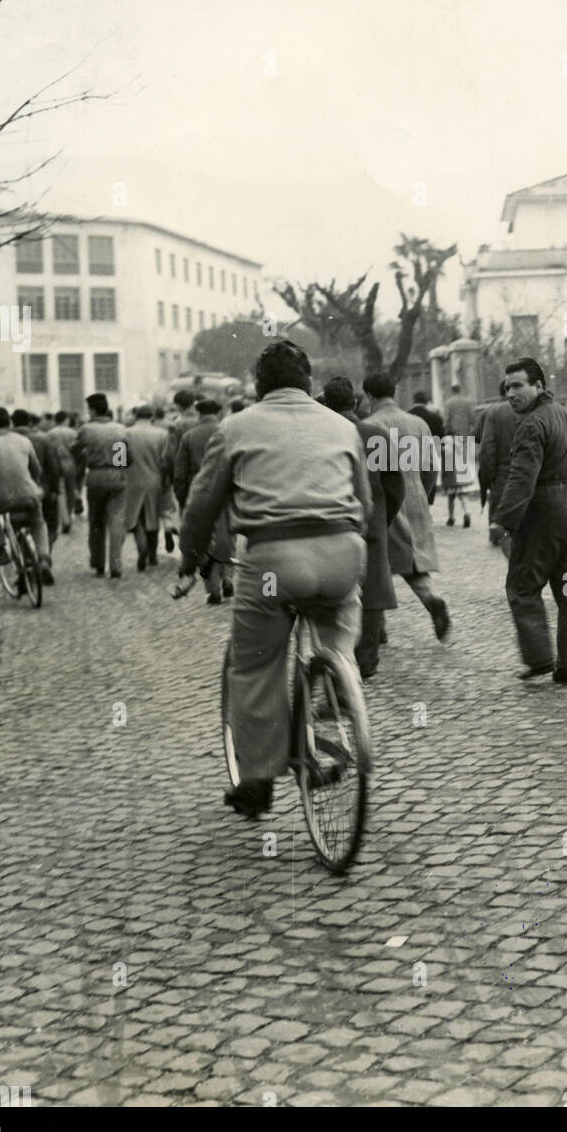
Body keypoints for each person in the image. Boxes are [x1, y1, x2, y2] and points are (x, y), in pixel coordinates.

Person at [180, 340, 372, 819]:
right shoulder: (343, 426)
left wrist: (191, 559)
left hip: (273, 564)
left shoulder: (235, 427)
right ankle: (336, 678)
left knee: (255, 666)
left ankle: (258, 779)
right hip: (342, 556)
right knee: (338, 624)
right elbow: (364, 505)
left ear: (258, 384)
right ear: (308, 382)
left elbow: (202, 506)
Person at [493, 357, 567, 684]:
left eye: (518, 385)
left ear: (539, 386)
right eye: (507, 387)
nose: (511, 393)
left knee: (522, 586)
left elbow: (522, 477)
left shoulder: (532, 424)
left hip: (548, 513)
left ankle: (538, 659)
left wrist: (503, 520)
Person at [323, 376, 405, 677]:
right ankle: (368, 658)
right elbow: (396, 484)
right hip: (373, 519)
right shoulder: (377, 434)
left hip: (334, 522)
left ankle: (339, 658)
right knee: (372, 590)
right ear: (355, 402)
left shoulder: (325, 434)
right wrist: (385, 517)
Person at [363, 371, 451, 641]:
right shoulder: (418, 423)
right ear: (395, 391)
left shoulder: (370, 426)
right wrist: (423, 494)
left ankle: (378, 627)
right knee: (414, 563)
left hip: (386, 502)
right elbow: (431, 466)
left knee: (377, 564)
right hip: (416, 496)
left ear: (368, 396)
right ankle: (432, 599)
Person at [0, 406, 52, 583]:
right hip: (27, 496)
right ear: (9, 421)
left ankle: (0, 550)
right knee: (38, 522)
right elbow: (36, 471)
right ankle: (44, 557)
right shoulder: (24, 441)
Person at [174, 398, 234, 603]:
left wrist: (182, 497)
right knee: (227, 534)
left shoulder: (190, 436)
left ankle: (213, 589)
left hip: (198, 491)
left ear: (199, 414)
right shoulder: (229, 432)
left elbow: (180, 471)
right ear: (218, 412)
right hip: (226, 489)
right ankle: (227, 577)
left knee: (205, 540)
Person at [72, 392, 132, 578]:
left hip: (96, 476)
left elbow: (74, 450)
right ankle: (116, 565)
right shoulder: (121, 429)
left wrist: (88, 456)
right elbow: (125, 459)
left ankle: (98, 562)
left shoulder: (86, 429)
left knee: (96, 521)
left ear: (92, 410)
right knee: (116, 520)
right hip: (117, 475)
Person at [124, 405, 168, 571]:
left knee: (134, 519)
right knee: (152, 519)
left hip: (131, 481)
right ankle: (152, 555)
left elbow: (117, 461)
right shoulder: (162, 434)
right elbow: (166, 462)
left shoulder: (125, 433)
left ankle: (141, 546)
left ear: (136, 416)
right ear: (152, 417)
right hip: (154, 481)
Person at [11, 409, 60, 555]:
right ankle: (44, 555)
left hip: (15, 493)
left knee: (16, 527)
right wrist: (55, 490)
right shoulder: (43, 439)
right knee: (49, 524)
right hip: (41, 490)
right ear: (30, 422)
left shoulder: (6, 441)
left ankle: (27, 562)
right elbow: (53, 468)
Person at [476, 381, 518, 549]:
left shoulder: (492, 412)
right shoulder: (533, 408)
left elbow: (485, 447)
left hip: (503, 474)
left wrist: (486, 477)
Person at [160, 389, 199, 553]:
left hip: (183, 474)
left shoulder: (177, 424)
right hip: (204, 471)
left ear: (178, 405)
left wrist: (167, 472)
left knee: (184, 508)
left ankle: (188, 548)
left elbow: (169, 453)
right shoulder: (202, 421)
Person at [441, 383, 477, 527]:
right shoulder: (468, 403)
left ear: (452, 391)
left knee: (451, 483)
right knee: (463, 476)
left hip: (452, 439)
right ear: (460, 390)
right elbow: (474, 421)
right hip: (465, 439)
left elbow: (446, 422)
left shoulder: (448, 403)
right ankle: (466, 512)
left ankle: (451, 517)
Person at [48, 411, 79, 532]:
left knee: (60, 491)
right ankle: (69, 515)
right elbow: (77, 450)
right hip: (70, 462)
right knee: (70, 490)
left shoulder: (49, 433)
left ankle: (63, 518)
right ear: (66, 420)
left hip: (55, 463)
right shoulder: (72, 432)